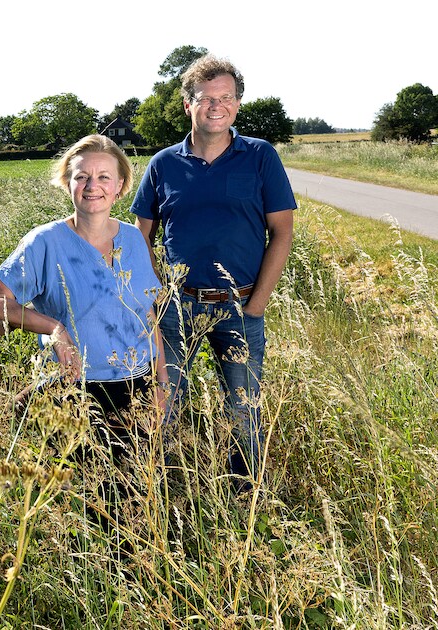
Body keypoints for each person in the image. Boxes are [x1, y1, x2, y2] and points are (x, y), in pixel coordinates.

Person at [129, 54, 296, 491]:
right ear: (189, 104)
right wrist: (157, 293)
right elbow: (138, 235)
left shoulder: (260, 157)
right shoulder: (163, 163)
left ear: (238, 104)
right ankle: (156, 498)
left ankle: (243, 504)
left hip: (241, 304)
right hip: (176, 308)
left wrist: (257, 303)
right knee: (164, 407)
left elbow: (282, 232)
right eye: (206, 98)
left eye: (226, 98)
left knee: (244, 411)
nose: (216, 106)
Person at [0, 134, 169, 448]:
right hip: (73, 389)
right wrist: (53, 327)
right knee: (81, 490)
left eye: (104, 177)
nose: (93, 186)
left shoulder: (134, 239)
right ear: (68, 184)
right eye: (82, 177)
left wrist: (161, 385)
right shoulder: (45, 242)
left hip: (138, 388)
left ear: (120, 185)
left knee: (135, 490)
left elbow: (149, 315)